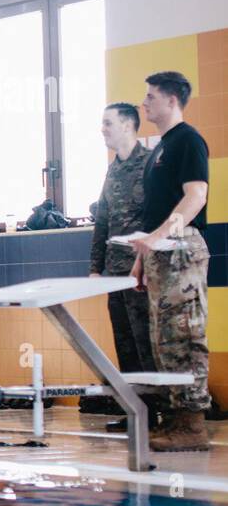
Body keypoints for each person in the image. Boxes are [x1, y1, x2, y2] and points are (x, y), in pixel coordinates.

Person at [130, 71, 211, 451]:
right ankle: (177, 419)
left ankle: (193, 425)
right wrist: (142, 258)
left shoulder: (188, 140)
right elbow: (154, 213)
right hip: (161, 254)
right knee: (163, 340)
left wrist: (160, 237)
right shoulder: (160, 148)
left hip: (181, 249)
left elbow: (195, 197)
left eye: (151, 97)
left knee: (184, 336)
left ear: (171, 101)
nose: (144, 103)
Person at [88, 103, 154, 430]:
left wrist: (145, 261)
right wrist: (95, 267)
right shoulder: (112, 169)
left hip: (142, 272)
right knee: (124, 342)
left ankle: (157, 412)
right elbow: (103, 220)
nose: (103, 129)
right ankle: (135, 412)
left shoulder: (150, 164)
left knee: (146, 342)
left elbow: (158, 219)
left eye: (108, 123)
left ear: (128, 125)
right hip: (114, 274)